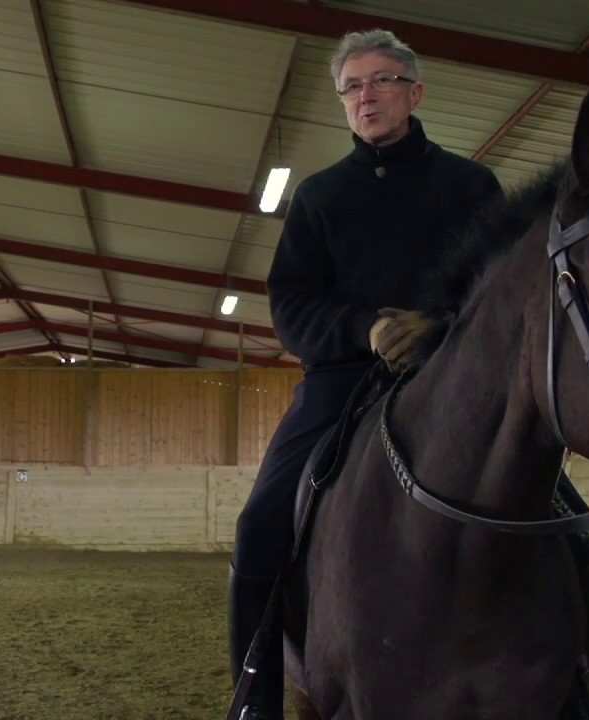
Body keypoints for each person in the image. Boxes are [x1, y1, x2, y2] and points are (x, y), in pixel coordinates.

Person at [228, 29, 507, 720]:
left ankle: (579, 690)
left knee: (567, 526)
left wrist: (439, 328)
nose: (365, 96)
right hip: (343, 385)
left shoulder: (471, 187)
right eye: (352, 87)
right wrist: (365, 328)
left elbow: (503, 291)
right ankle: (253, 697)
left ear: (415, 91)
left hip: (455, 381)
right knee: (260, 525)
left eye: (380, 81)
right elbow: (291, 301)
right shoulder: (321, 198)